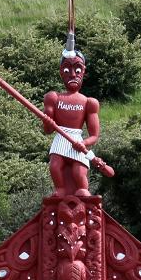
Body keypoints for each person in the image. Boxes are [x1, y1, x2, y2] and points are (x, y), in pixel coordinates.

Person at [42, 51, 100, 197]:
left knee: (79, 170)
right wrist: (47, 118)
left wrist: (84, 143)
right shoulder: (54, 97)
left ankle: (82, 189)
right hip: (60, 137)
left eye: (78, 69)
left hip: (77, 140)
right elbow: (48, 130)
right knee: (55, 166)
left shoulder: (89, 102)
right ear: (62, 72)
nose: (73, 75)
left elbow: (94, 135)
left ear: (83, 72)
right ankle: (60, 189)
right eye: (68, 70)